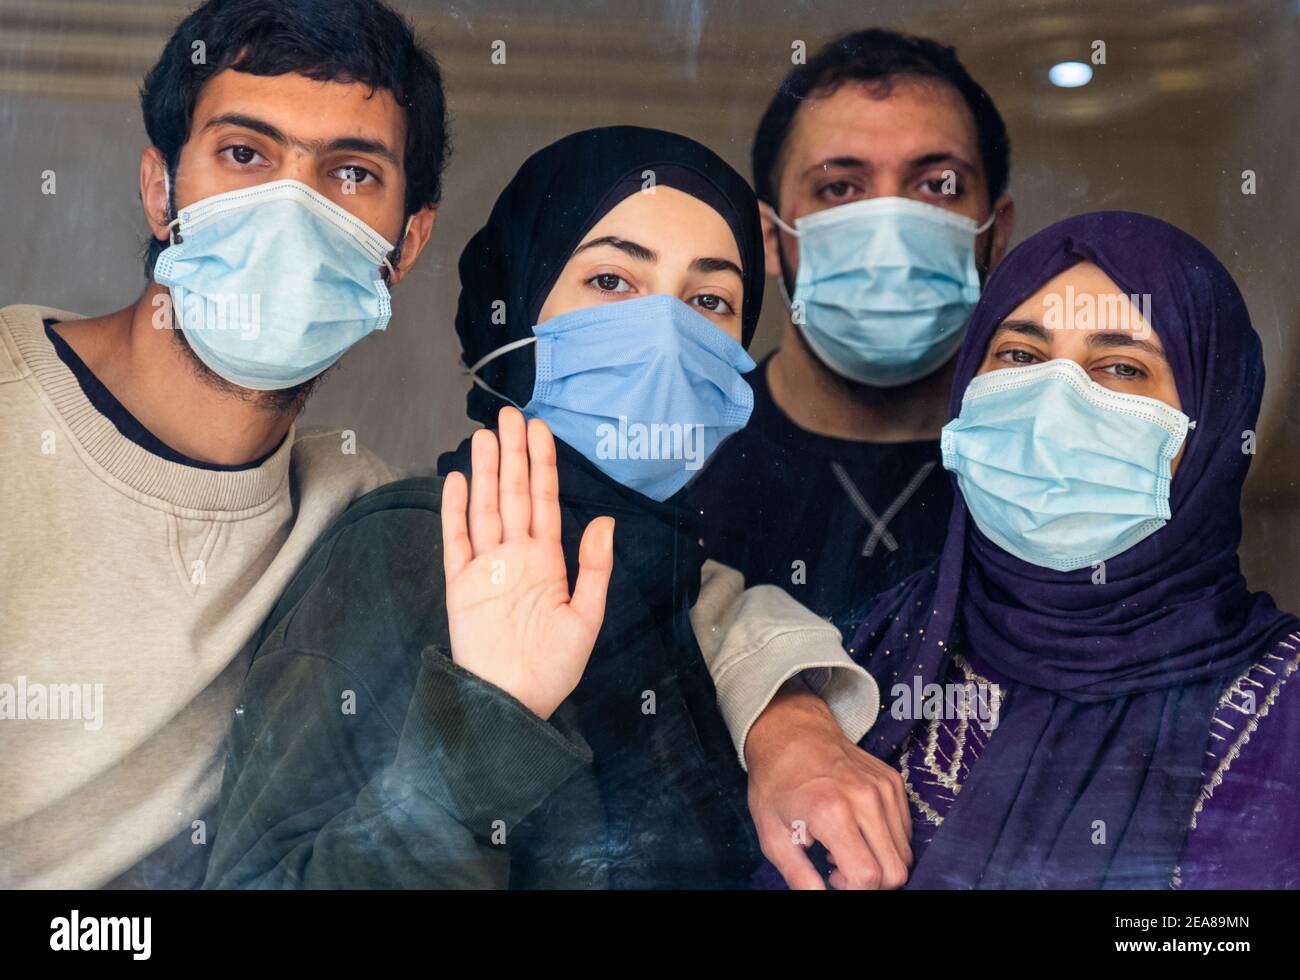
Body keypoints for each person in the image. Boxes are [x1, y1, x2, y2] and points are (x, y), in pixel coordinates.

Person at [203, 126, 877, 890]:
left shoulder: (684, 587)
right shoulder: (413, 549)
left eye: (709, 300)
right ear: (514, 313)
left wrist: (790, 716)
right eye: (612, 282)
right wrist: (486, 728)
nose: (665, 336)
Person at [0, 0, 447, 888]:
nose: (291, 210)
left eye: (351, 173)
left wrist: (781, 722)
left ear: (407, 243)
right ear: (162, 189)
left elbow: (653, 579)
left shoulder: (359, 517)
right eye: (245, 154)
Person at [740, 211, 1300, 889]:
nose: (1052, 403)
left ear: (1214, 424)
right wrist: (779, 721)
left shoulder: (1283, 704)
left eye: (1121, 366)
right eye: (1020, 356)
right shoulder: (860, 655)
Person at [687, 29, 1015, 639]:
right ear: (770, 238)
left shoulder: (1050, 466)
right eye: (840, 187)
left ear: (995, 231)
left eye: (936, 185)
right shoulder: (682, 461)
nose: (888, 234)